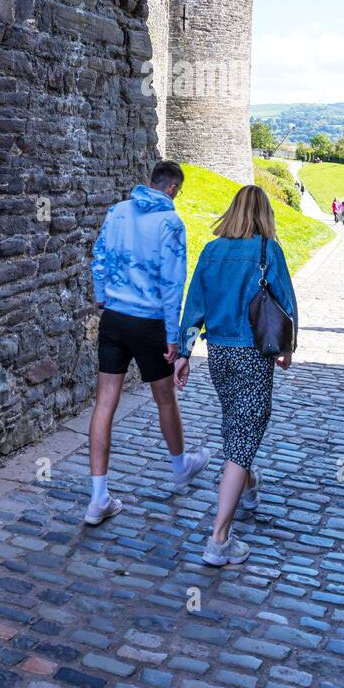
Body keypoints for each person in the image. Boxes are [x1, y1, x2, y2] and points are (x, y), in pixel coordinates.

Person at [178, 185, 297, 567]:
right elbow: (286, 302)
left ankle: (248, 484)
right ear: (264, 214)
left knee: (236, 423)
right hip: (251, 352)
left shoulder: (211, 252)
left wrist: (184, 352)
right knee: (243, 436)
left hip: (219, 353)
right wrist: (286, 348)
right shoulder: (267, 250)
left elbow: (194, 304)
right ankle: (219, 539)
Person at [87, 160, 210, 524]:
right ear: (172, 188)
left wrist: (102, 299)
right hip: (150, 322)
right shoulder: (171, 222)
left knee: (105, 401)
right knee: (165, 399)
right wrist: (174, 337)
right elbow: (173, 284)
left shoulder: (118, 212)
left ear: (150, 182)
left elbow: (99, 260)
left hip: (114, 317)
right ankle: (179, 464)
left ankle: (98, 497)